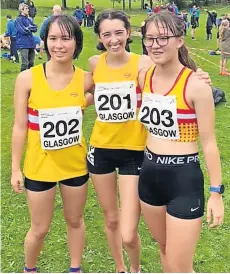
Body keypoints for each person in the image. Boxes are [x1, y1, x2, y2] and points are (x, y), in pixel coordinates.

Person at [86, 9, 211, 273]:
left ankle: (135, 267)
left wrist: (198, 75)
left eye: (119, 32)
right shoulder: (95, 63)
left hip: (136, 151)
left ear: (129, 34)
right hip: (102, 147)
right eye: (106, 34)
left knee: (129, 233)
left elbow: (172, 72)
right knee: (111, 220)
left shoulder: (144, 63)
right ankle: (122, 269)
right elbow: (93, 92)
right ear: (99, 36)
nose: (114, 39)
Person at [138, 11, 224, 272]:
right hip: (150, 174)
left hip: (183, 178)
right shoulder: (144, 76)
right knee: (164, 250)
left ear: (179, 40)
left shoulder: (196, 86)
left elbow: (209, 142)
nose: (155, 44)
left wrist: (216, 193)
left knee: (181, 266)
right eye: (150, 38)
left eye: (163, 38)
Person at [11, 15, 93, 273]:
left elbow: (132, 79)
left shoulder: (87, 79)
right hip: (39, 168)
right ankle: (29, 269)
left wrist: (199, 75)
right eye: (53, 38)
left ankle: (75, 269)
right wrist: (15, 168)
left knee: (75, 220)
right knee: (39, 229)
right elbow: (20, 126)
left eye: (66, 38)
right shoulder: (27, 79)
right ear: (43, 41)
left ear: (76, 42)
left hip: (75, 167)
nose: (59, 45)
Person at [15, 3, 37, 71]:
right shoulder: (18, 20)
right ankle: (22, 78)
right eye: (26, 9)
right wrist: (29, 28)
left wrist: (28, 28)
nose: (28, 10)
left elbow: (35, 28)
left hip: (31, 43)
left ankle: (30, 78)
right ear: (22, 10)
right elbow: (22, 31)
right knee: (25, 63)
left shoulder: (29, 20)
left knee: (31, 63)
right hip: (23, 44)